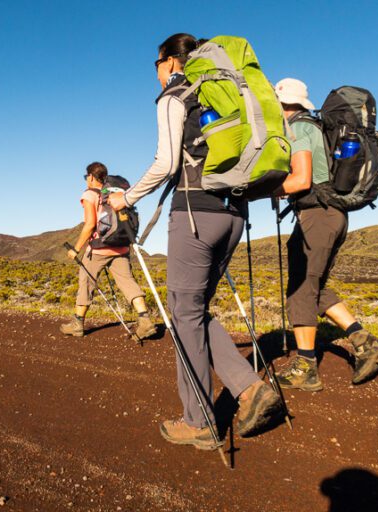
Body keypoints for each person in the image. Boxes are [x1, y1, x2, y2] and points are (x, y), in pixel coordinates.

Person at [106, 34, 282, 450]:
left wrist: (125, 198)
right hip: (235, 215)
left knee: (183, 314)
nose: (156, 71)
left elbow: (167, 162)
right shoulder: (227, 91)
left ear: (169, 61)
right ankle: (246, 389)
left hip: (194, 215)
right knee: (194, 311)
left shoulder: (176, 94)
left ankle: (203, 419)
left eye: (156, 63)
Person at [273, 77, 378, 391]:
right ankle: (365, 342)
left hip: (318, 216)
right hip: (333, 214)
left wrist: (266, 190)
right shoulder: (313, 127)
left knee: (301, 288)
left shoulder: (298, 128)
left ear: (281, 103)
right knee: (317, 285)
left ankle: (305, 367)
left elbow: (300, 180)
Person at [60, 162, 157, 340]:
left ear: (90, 176)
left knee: (86, 283)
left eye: (86, 177)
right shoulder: (116, 194)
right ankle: (144, 320)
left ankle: (77, 324)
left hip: (99, 248)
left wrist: (76, 248)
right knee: (128, 282)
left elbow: (90, 224)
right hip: (121, 246)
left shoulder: (89, 194)